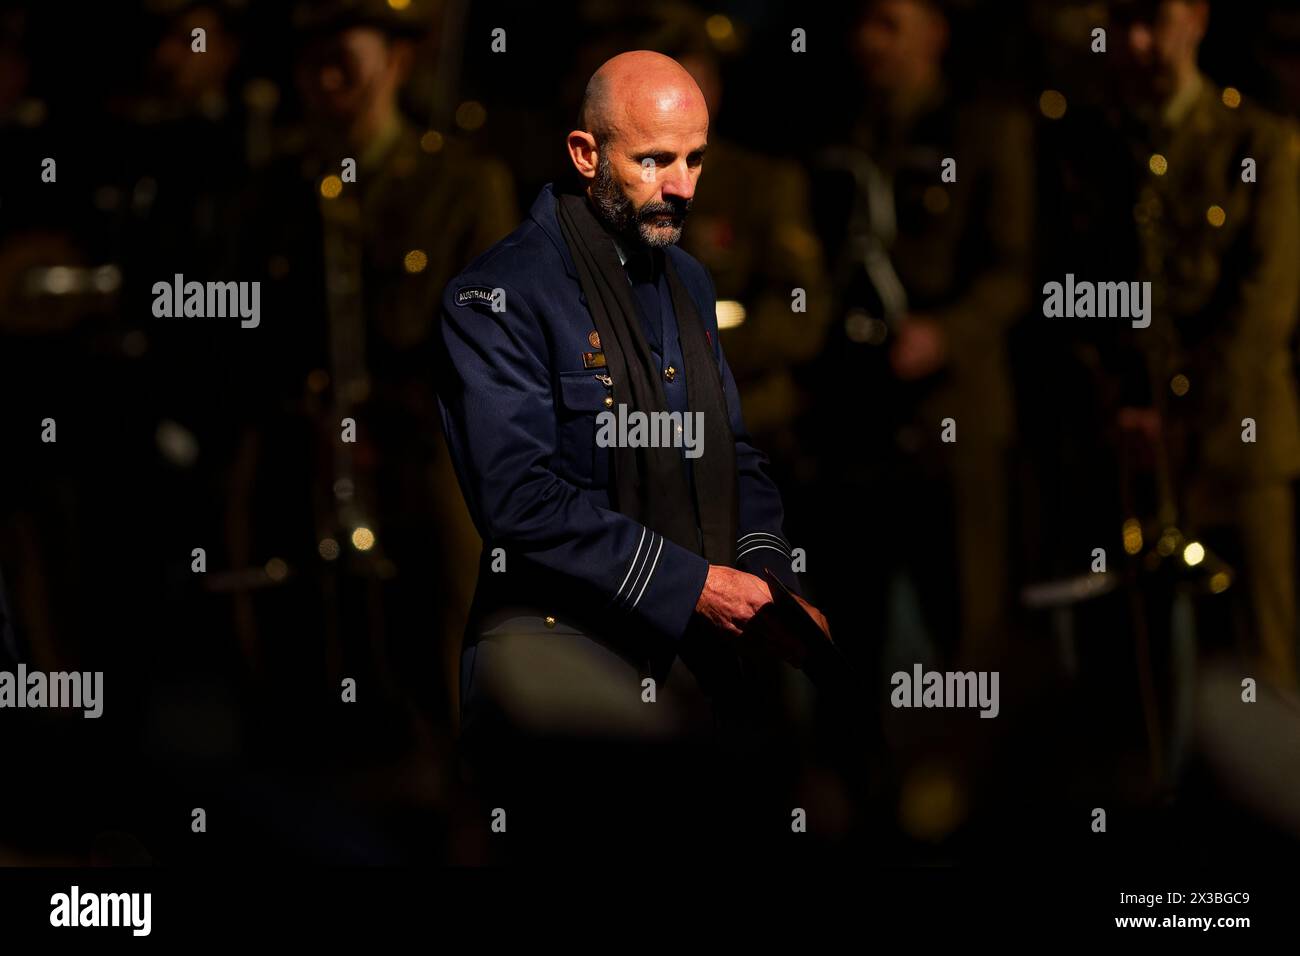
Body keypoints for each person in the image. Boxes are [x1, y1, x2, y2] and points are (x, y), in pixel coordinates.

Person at [436, 50, 828, 858]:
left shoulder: (684, 278)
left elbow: (736, 457)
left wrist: (770, 585)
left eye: (693, 159)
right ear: (586, 154)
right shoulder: (497, 295)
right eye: (653, 160)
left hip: (694, 677)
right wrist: (697, 586)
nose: (680, 184)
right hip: (555, 674)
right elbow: (521, 503)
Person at [807, 0, 1032, 671]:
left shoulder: (986, 131)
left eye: (888, 23)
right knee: (853, 624)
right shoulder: (840, 131)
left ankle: (964, 769)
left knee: (963, 628)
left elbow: (1014, 269)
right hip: (858, 413)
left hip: (952, 415)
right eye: (860, 23)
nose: (869, 42)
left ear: (935, 33)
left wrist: (947, 333)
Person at [1108, 0, 1300, 692]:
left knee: (1260, 664)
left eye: (1152, 20)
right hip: (1141, 452)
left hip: (1235, 443)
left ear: (1195, 19)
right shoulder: (1108, 144)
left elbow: (1264, 309)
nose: (1134, 42)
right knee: (1154, 679)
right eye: (1120, 21)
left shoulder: (1260, 141)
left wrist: (1178, 408)